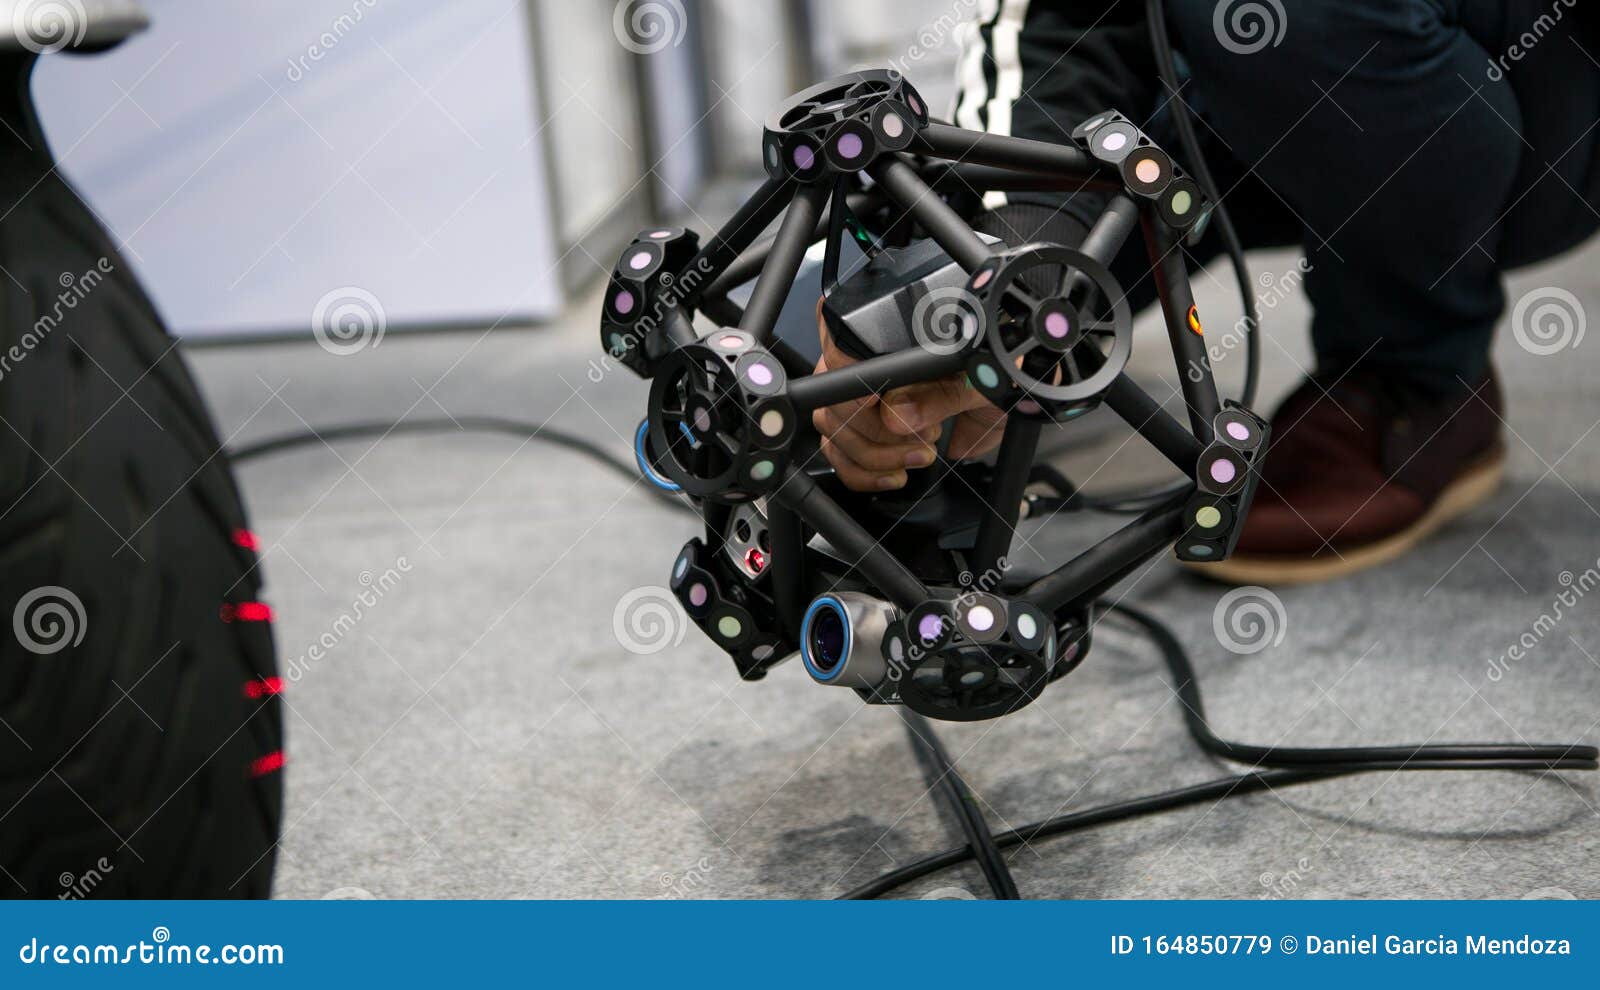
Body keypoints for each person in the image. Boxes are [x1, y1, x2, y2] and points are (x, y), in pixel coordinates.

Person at [812, 0, 1600, 584]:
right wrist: (1010, 264)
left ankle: (1415, 375)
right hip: (1255, 76)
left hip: (1539, 89)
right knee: (890, 344)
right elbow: (1055, 23)